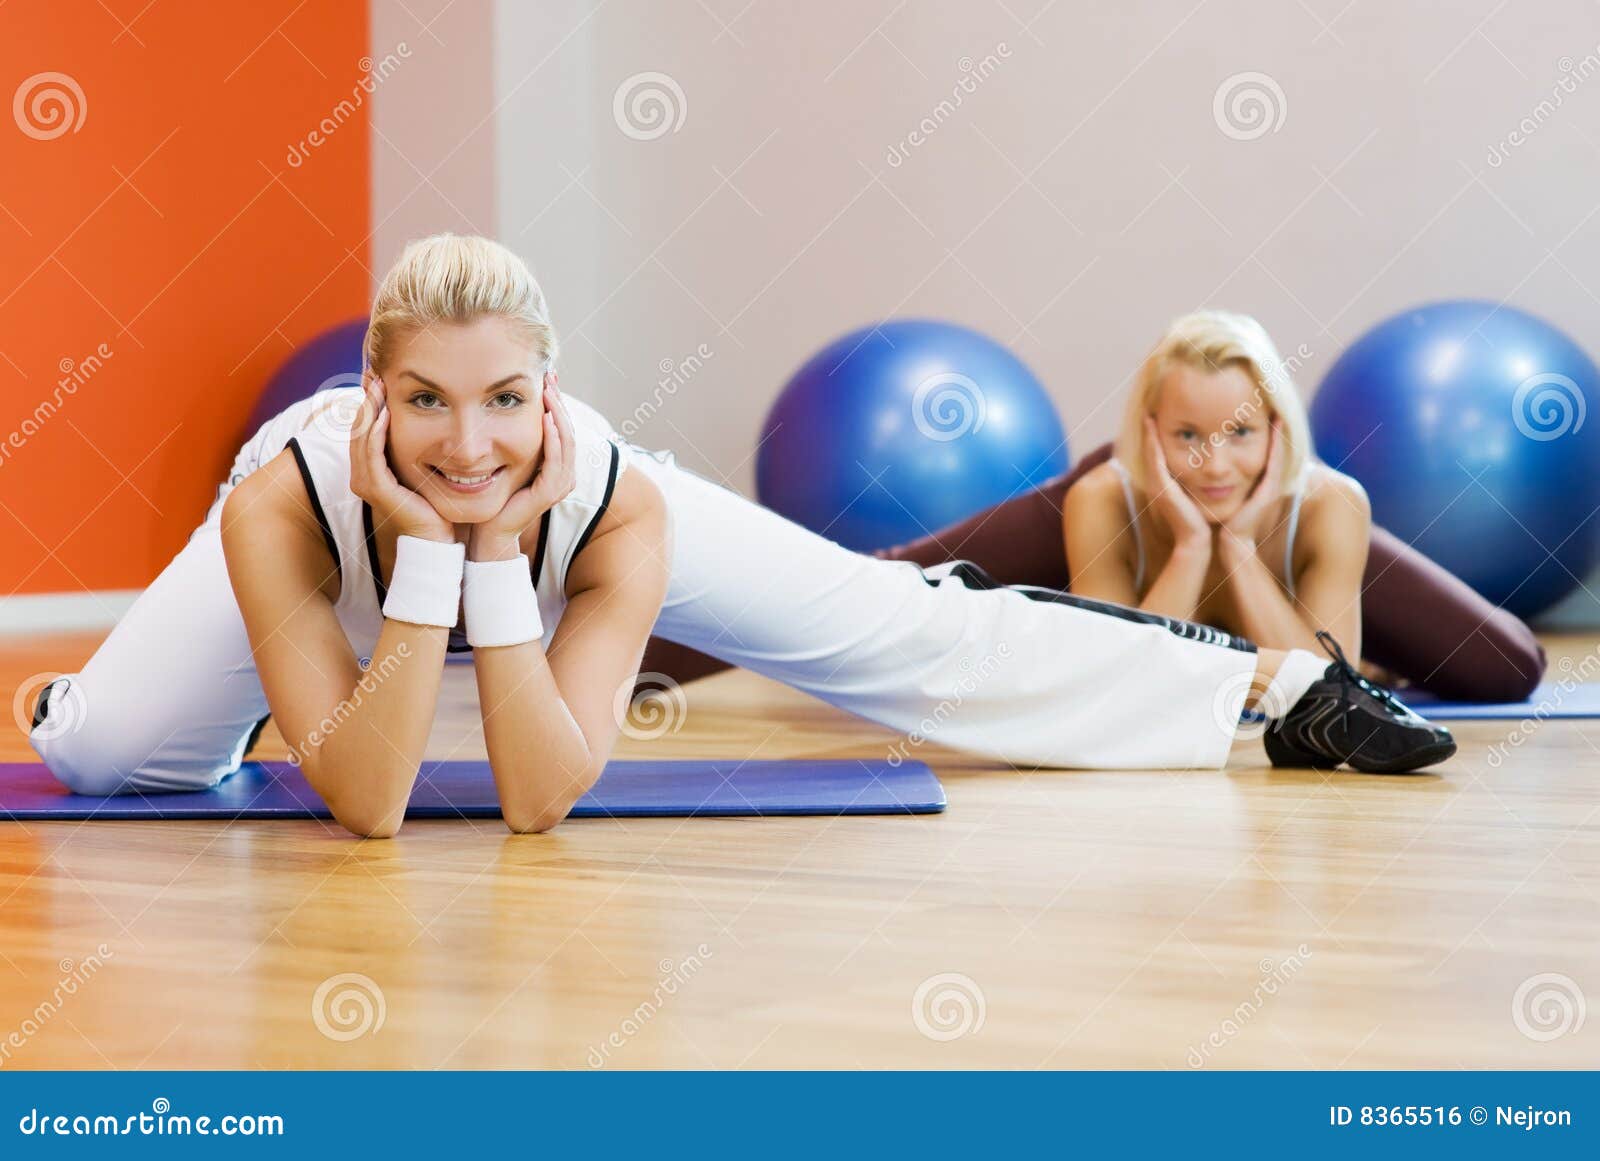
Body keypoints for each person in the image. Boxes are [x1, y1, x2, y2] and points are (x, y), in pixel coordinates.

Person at [28, 237, 1456, 839]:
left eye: (506, 399)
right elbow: (366, 803)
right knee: (102, 756)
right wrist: (421, 556)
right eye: (426, 402)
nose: (468, 446)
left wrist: (499, 560)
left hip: (558, 538)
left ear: (552, 393)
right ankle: (83, 694)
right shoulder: (286, 495)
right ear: (373, 395)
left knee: (903, 626)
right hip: (347, 552)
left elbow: (537, 800)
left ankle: (1271, 694)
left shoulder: (610, 497)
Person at [644, 312, 1545, 706]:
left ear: (1277, 428)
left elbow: (1324, 686)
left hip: (1280, 516)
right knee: (873, 589)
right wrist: (1188, 546)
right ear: (1149, 431)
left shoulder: (1326, 503)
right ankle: (612, 626)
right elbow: (1120, 677)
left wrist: (1239, 549)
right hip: (1123, 512)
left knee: (1507, 667)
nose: (1214, 463)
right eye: (1186, 435)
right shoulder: (1108, 492)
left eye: (1239, 432)